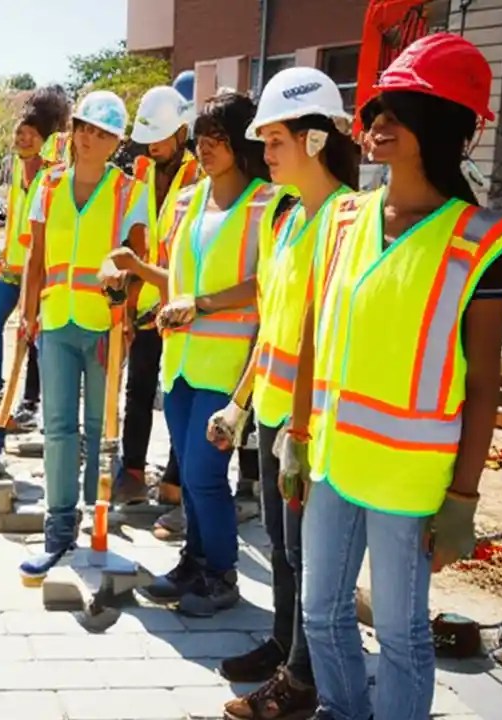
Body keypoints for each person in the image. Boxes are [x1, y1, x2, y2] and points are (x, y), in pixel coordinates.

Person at [288, 34, 502, 719]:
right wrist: (298, 435)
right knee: (320, 614)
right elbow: (314, 334)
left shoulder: (482, 241)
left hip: (411, 482)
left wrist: (463, 498)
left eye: (398, 113)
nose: (376, 126)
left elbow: (483, 386)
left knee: (398, 634)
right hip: (332, 460)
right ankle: (341, 708)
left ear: (442, 127)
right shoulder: (342, 218)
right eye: (377, 111)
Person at [208, 66, 359, 720]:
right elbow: (274, 324)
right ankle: (283, 644)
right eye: (262, 140)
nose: (263, 154)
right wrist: (240, 404)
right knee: (280, 544)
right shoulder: (288, 218)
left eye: (275, 141)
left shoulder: (348, 222)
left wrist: (299, 430)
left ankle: (301, 678)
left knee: (304, 553)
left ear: (317, 141)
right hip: (273, 410)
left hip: (313, 423)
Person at [127, 91, 289, 617]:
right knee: (191, 478)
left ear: (242, 141)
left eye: (218, 137)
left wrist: (200, 304)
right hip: (180, 363)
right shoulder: (187, 201)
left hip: (230, 365)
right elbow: (174, 277)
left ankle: (221, 575)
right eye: (202, 137)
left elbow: (269, 283)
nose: (206, 147)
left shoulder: (271, 205)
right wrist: (132, 268)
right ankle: (194, 561)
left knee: (202, 474)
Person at [17, 90, 151, 577]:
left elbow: (138, 259)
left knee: (99, 427)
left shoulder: (130, 191)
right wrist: (25, 313)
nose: (90, 139)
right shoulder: (49, 185)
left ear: (117, 141)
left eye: (102, 133)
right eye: (84, 129)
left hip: (103, 327)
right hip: (56, 320)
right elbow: (35, 256)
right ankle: (58, 525)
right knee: (57, 427)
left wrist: (128, 316)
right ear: (72, 131)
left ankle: (98, 518)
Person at [0, 86, 72, 431]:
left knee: (34, 338)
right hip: (11, 268)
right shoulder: (17, 173)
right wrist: (2, 251)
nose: (22, 139)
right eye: (19, 133)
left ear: (45, 139)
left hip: (37, 271)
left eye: (31, 135)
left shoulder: (51, 176)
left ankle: (31, 404)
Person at [116, 85, 200, 509]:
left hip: (182, 303)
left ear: (182, 132)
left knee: (176, 394)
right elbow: (137, 243)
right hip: (148, 300)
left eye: (160, 138)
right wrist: (129, 307)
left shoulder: (198, 176)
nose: (152, 146)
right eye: (148, 139)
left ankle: (174, 479)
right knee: (138, 389)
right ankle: (131, 470)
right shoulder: (142, 174)